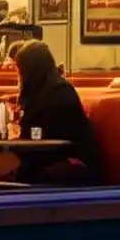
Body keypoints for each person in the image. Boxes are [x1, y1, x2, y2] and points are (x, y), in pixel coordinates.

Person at [13, 41, 100, 186]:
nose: (19, 78)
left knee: (20, 175)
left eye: (20, 72)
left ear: (31, 71)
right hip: (50, 159)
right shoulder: (45, 91)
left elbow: (48, 141)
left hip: (72, 166)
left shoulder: (60, 94)